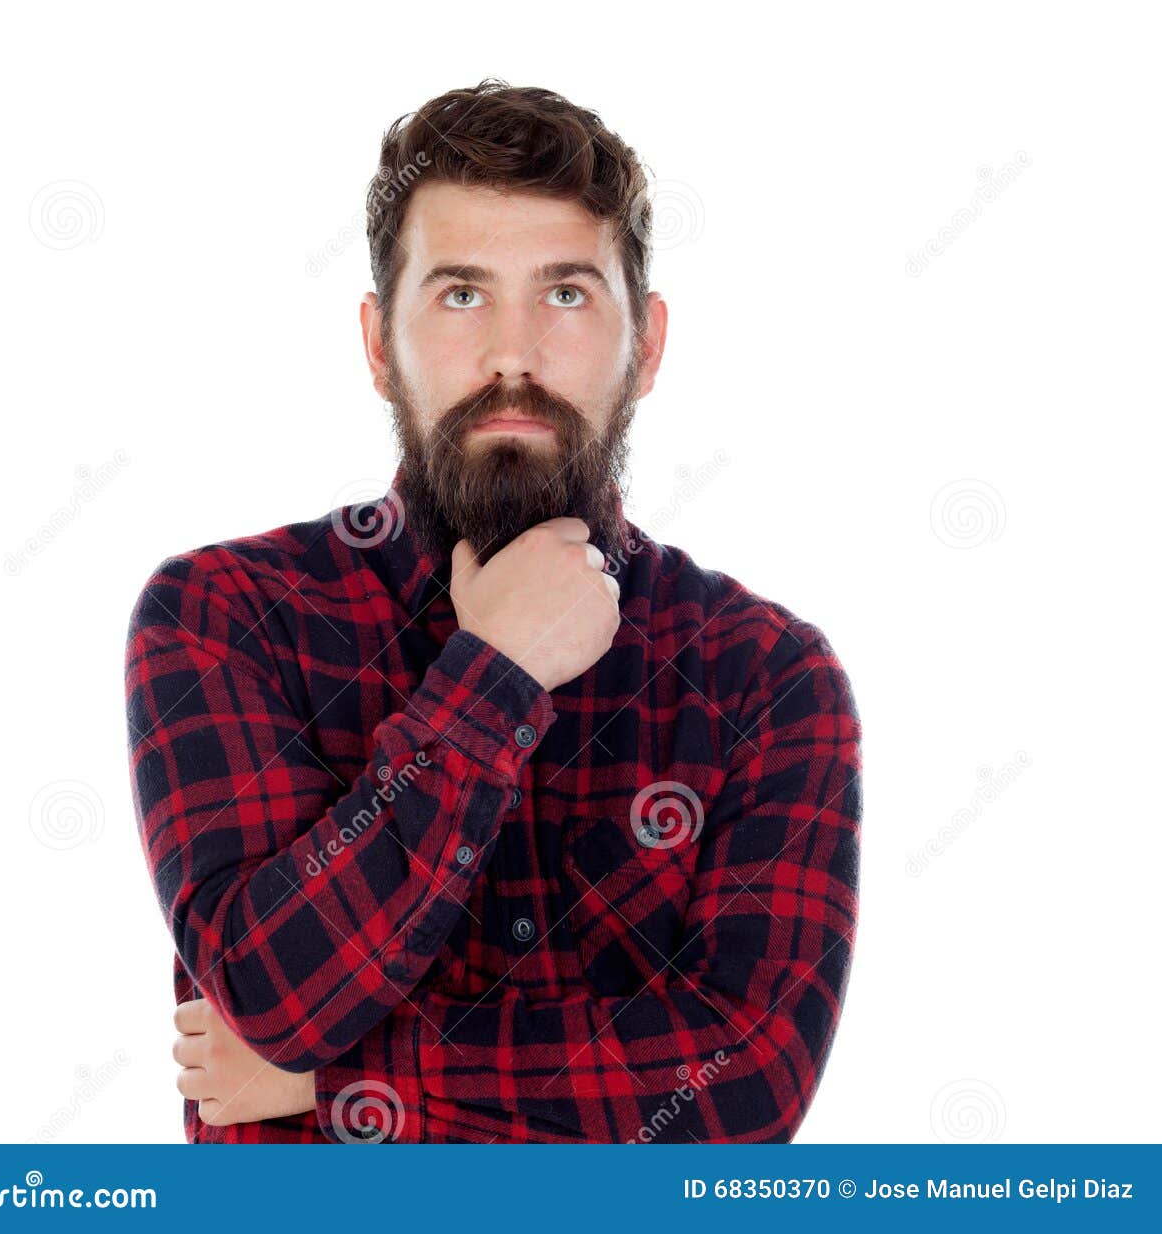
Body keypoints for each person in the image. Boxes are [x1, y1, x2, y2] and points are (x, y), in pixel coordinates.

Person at [124, 79, 862, 1143]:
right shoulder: (226, 615)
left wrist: (337, 1085)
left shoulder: (762, 674)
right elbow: (275, 998)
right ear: (380, 344)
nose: (511, 354)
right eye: (461, 294)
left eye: (564, 294)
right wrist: (495, 671)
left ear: (644, 346)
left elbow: (744, 1087)